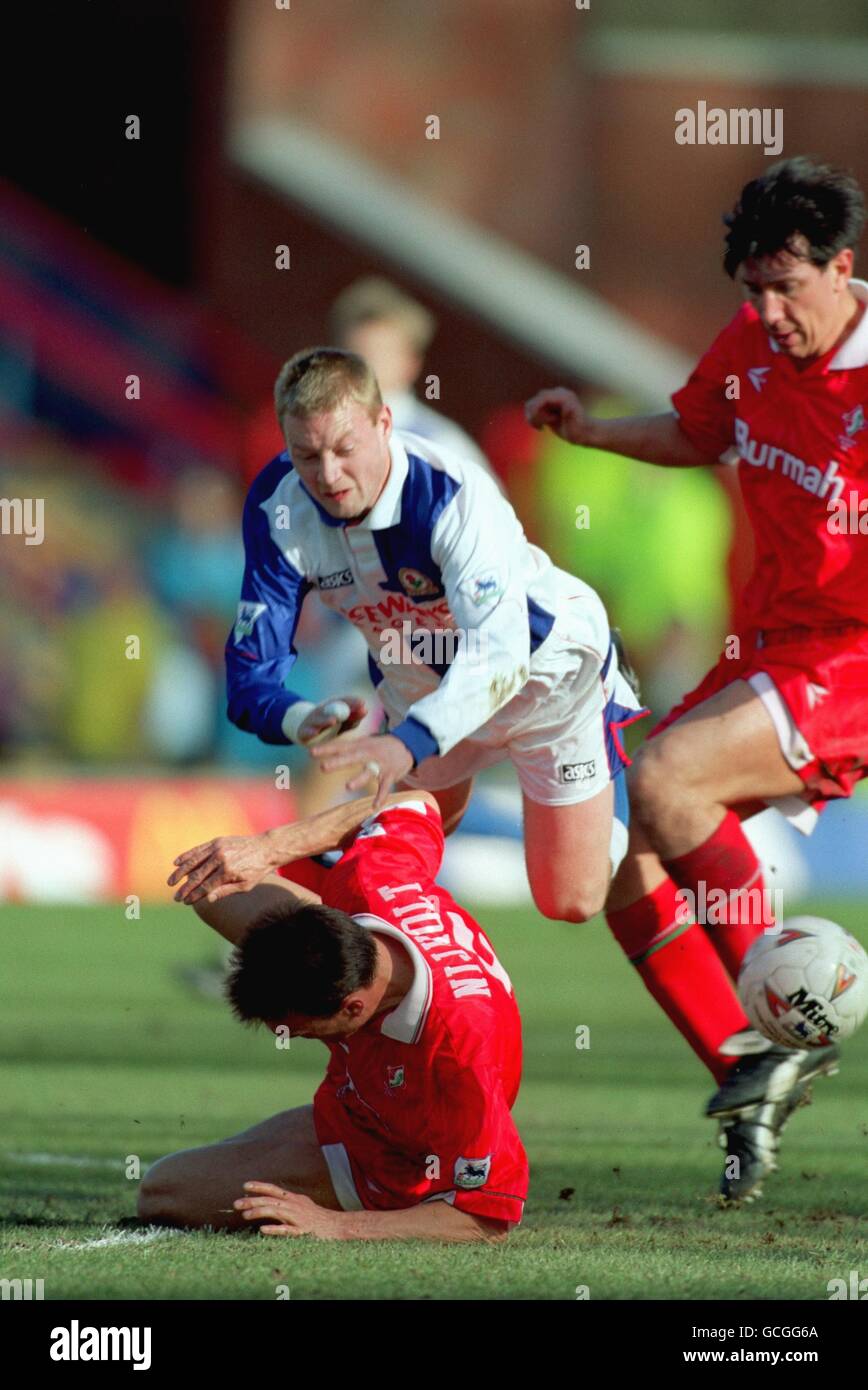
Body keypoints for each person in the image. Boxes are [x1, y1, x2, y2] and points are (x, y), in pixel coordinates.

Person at [525, 156, 867, 1200]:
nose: (768, 313)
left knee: (668, 776)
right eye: (752, 291)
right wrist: (591, 433)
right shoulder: (750, 348)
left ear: (844, 269)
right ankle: (744, 1061)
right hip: (774, 644)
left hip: (853, 656)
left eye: (788, 288)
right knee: (621, 837)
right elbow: (697, 430)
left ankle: (791, 1016)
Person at [225, 347, 645, 925]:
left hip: (544, 677)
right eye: (307, 455)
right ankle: (391, 991)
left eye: (345, 450)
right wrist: (303, 717)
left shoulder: (453, 494)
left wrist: (405, 745)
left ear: (384, 424)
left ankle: (621, 811)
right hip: (419, 680)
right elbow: (250, 674)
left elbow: (498, 655)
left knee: (571, 901)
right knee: (390, 858)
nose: (328, 475)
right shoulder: (278, 508)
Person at [138, 792, 527, 1242]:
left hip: (397, 1158)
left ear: (353, 1008)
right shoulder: (370, 880)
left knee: (162, 1193)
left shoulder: (460, 1052)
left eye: (299, 1029)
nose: (287, 1035)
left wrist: (337, 1225)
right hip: (362, 1105)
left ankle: (377, 1192)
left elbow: (486, 1220)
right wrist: (267, 847)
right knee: (215, 882)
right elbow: (414, 803)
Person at [329, 276, 493, 474]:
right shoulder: (315, 431)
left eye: (381, 353)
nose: (365, 364)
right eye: (356, 351)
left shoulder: (441, 446)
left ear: (411, 363)